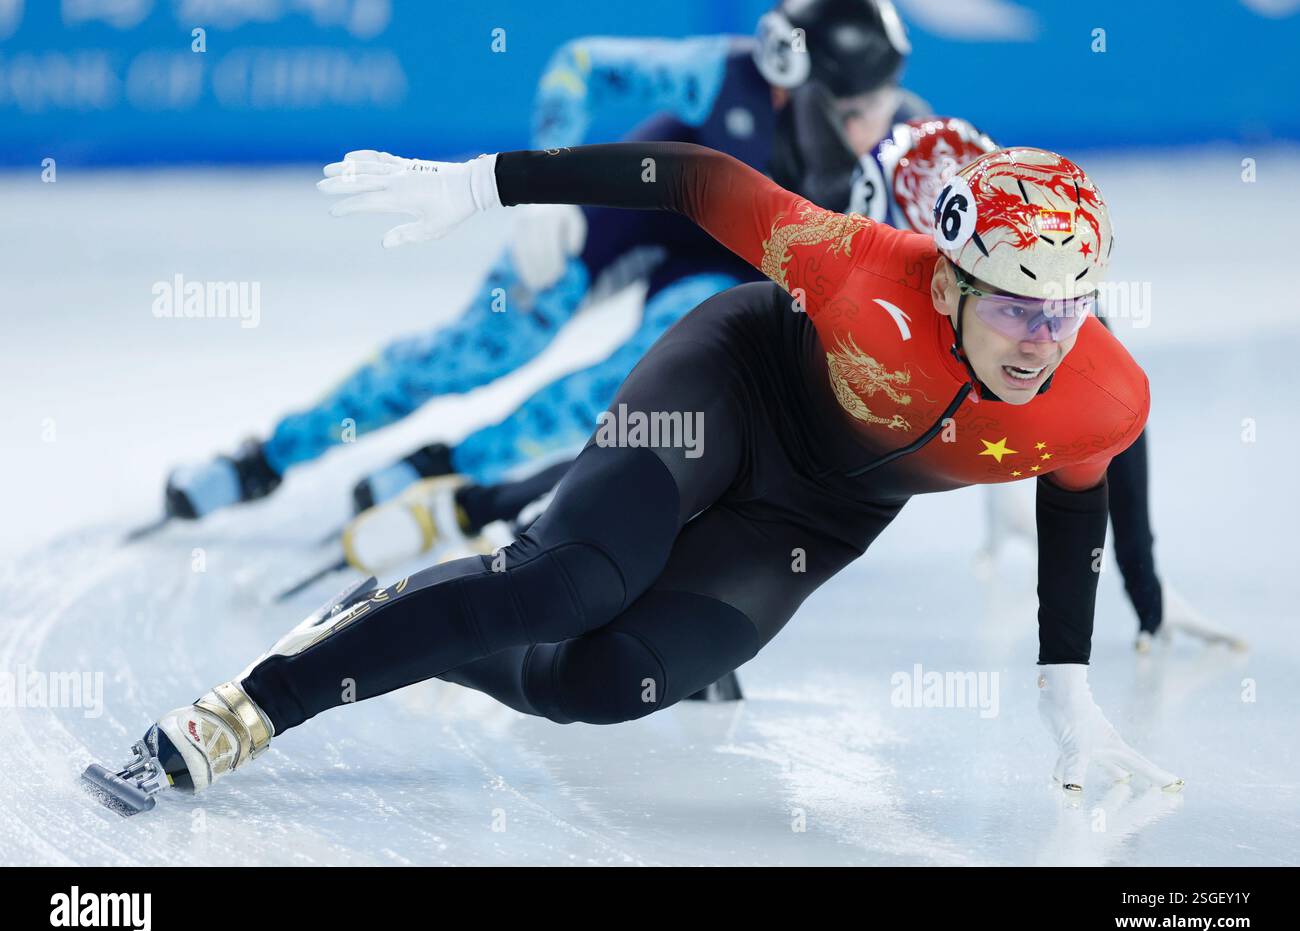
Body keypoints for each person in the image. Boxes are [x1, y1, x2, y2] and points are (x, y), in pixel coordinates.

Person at [84, 135, 1187, 816]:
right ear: (948, 280)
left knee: (603, 681)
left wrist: (1066, 693)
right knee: (568, 580)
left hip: (826, 510)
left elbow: (1074, 506)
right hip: (734, 381)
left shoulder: (1103, 390)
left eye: (1066, 307)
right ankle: (248, 705)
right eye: (1010, 304)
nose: (1039, 338)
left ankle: (415, 626)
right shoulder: (854, 266)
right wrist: (482, 185)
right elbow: (694, 178)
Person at [160, 0, 923, 519]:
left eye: (881, 105)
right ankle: (273, 452)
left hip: (722, 266)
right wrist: (550, 189)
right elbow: (580, 63)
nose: (870, 127)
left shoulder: (906, 149)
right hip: (621, 212)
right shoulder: (718, 71)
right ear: (786, 78)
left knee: (623, 381)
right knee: (478, 349)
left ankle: (455, 469)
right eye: (850, 111)